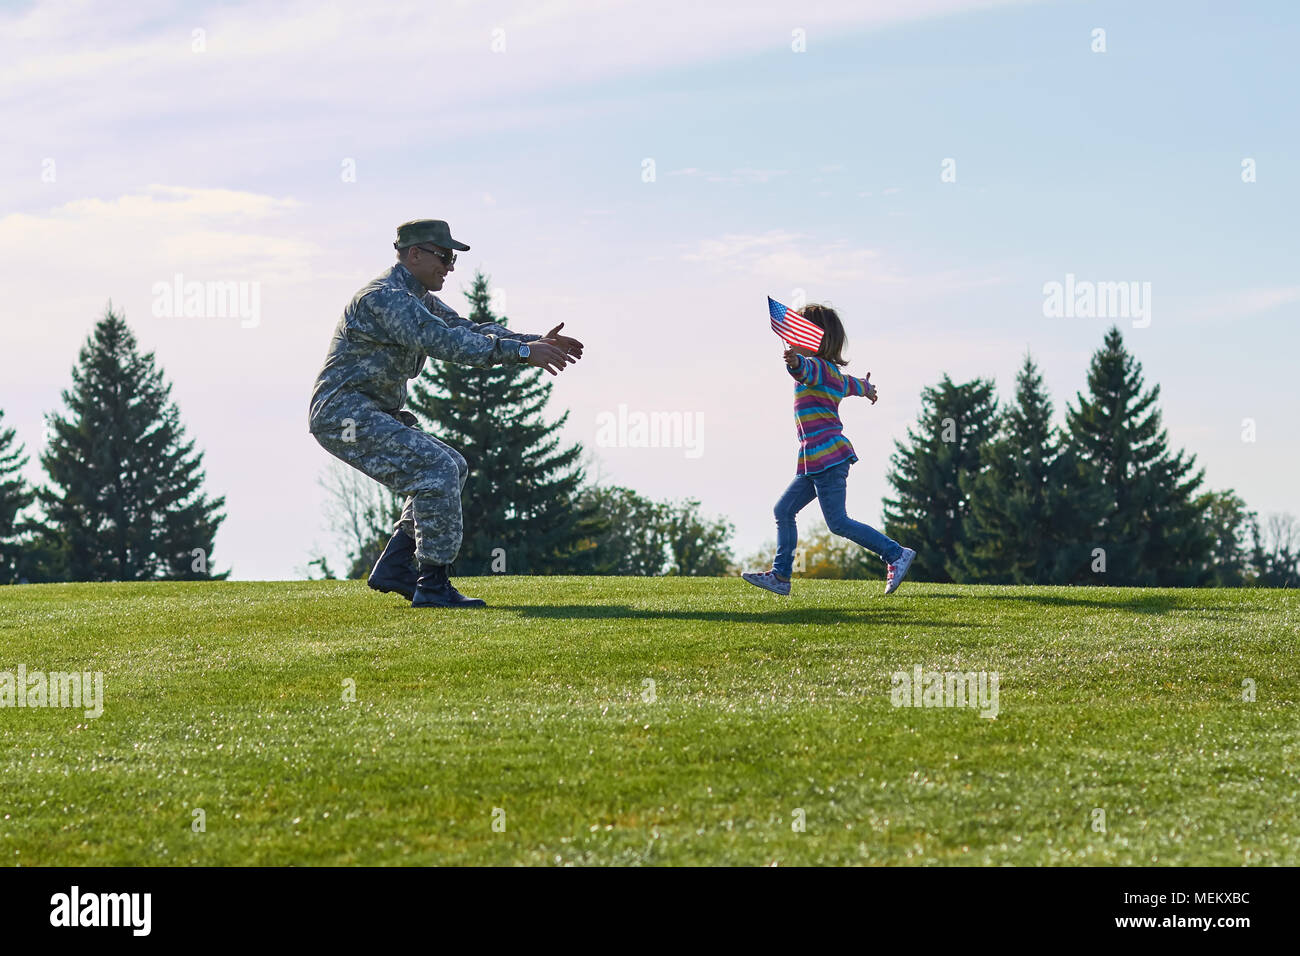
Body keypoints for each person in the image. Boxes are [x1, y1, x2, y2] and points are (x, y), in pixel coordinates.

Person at [309, 219, 583, 608]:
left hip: (370, 411)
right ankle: (433, 585)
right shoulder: (384, 298)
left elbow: (466, 328)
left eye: (453, 258)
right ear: (414, 254)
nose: (450, 267)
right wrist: (523, 354)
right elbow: (449, 343)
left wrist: (532, 341)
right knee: (435, 470)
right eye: (445, 256)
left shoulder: (416, 297)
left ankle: (396, 566)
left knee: (451, 465)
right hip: (345, 415)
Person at [741, 303, 916, 596]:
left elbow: (803, 370)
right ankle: (781, 577)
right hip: (815, 462)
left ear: (815, 338)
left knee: (838, 522)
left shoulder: (818, 368)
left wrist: (794, 363)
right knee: (783, 510)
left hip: (828, 460)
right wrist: (866, 388)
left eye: (801, 329)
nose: (794, 335)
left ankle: (895, 554)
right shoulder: (832, 373)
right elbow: (851, 384)